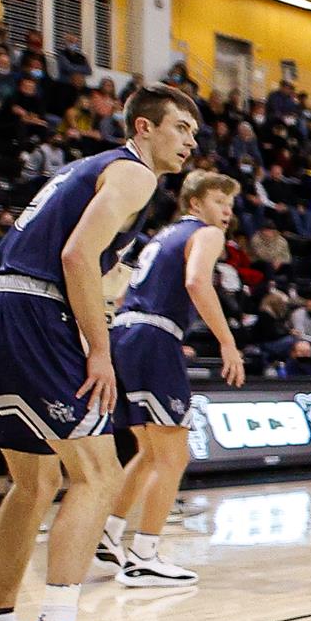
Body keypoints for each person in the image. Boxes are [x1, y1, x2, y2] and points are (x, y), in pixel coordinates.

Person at [0, 83, 198, 621]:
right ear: (143, 128)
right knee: (99, 472)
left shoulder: (85, 172)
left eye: (194, 132)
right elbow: (76, 256)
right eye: (181, 127)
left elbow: (82, 262)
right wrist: (100, 350)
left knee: (33, 482)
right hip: (34, 314)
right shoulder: (134, 174)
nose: (190, 140)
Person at [94, 172, 245, 587]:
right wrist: (227, 342)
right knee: (173, 456)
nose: (226, 212)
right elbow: (197, 281)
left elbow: (124, 294)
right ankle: (144, 555)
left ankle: (108, 536)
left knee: (148, 450)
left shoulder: (162, 237)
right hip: (152, 337)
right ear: (195, 204)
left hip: (125, 333)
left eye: (230, 205)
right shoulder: (205, 233)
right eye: (219, 201)